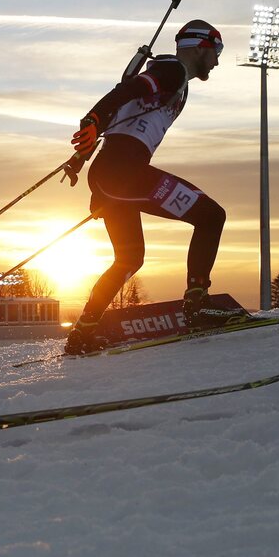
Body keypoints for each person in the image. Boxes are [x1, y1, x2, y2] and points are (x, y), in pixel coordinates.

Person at [63, 21, 229, 355]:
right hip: (124, 172)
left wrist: (81, 158)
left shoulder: (170, 76)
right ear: (201, 47)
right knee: (211, 216)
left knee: (128, 259)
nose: (217, 61)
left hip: (111, 173)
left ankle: (83, 332)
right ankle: (197, 304)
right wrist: (92, 121)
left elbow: (118, 112)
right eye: (217, 52)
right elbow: (125, 92)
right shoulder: (173, 71)